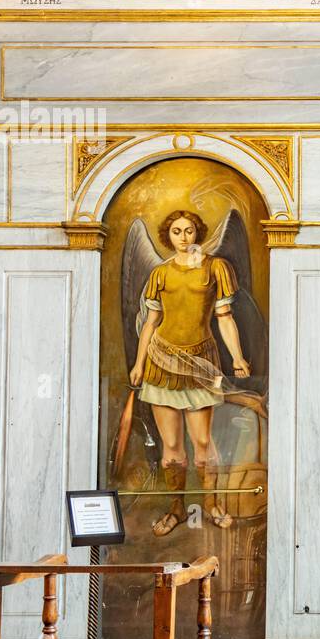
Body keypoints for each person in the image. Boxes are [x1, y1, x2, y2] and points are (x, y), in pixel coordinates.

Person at [129, 210, 251, 536]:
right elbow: (150, 323)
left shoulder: (216, 268)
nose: (183, 237)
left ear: (197, 233)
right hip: (161, 360)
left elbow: (224, 317)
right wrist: (139, 364)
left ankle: (211, 503)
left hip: (201, 361)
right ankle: (176, 507)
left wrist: (237, 357)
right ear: (168, 236)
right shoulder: (160, 274)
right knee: (171, 445)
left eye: (189, 230)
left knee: (201, 440)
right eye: (177, 232)